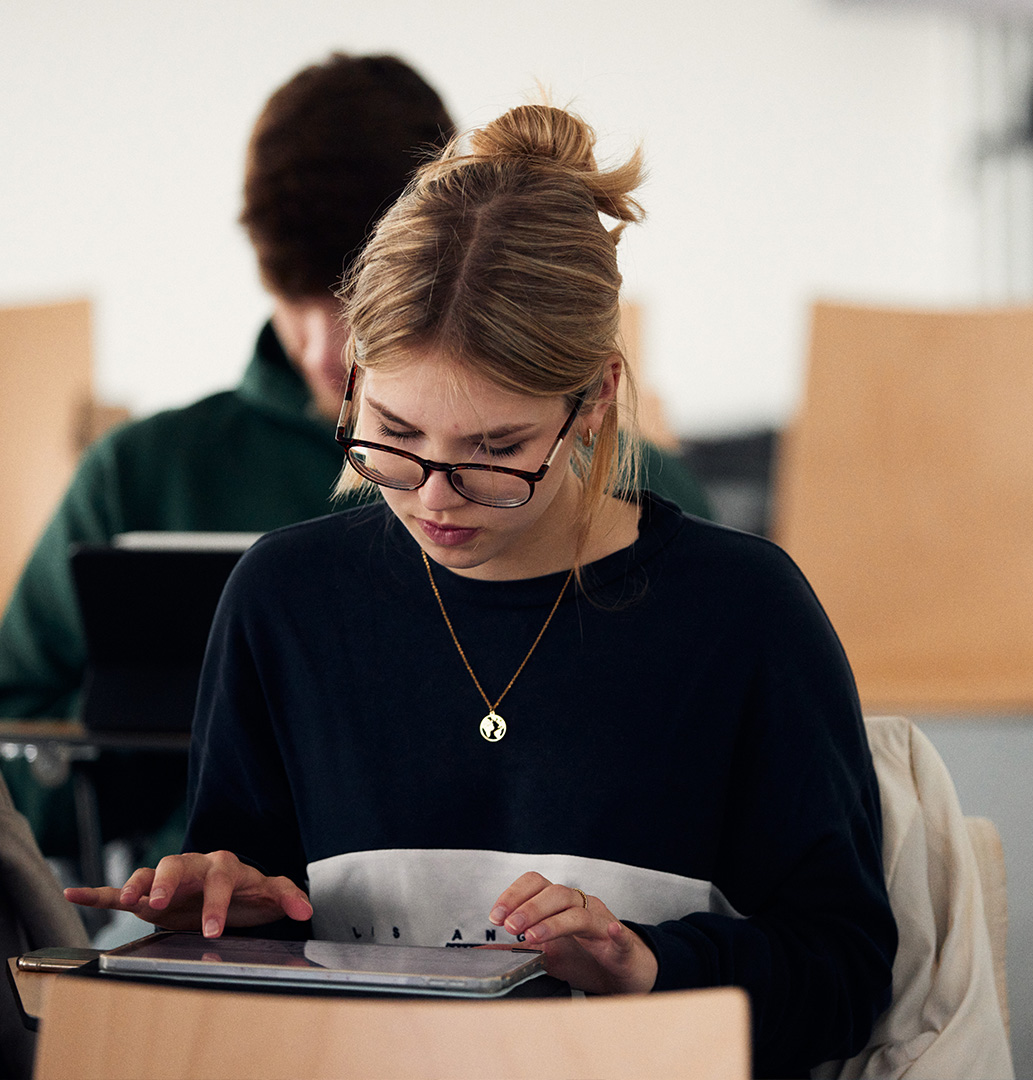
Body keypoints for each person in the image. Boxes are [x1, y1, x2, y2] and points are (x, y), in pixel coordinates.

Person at [66, 103, 896, 1076]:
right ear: (353, 383)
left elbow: (846, 977)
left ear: (597, 401)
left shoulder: (742, 613)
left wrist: (645, 965)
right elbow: (252, 947)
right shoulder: (284, 599)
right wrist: (230, 911)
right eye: (395, 439)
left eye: (495, 452)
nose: (434, 499)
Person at [0, 55, 715, 870]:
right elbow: (20, 744)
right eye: (288, 291)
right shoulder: (143, 472)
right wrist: (207, 734)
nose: (320, 346)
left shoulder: (642, 496)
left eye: (496, 451)